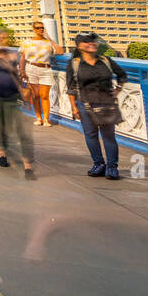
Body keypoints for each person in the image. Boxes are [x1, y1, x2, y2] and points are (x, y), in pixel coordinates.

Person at [66, 32, 127, 180]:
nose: (92, 44)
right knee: (91, 135)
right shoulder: (74, 63)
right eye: (87, 42)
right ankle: (98, 164)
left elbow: (122, 75)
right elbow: (71, 87)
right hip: (85, 103)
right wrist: (74, 107)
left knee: (109, 136)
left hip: (106, 103)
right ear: (80, 46)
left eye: (94, 41)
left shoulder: (106, 60)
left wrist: (118, 89)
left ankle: (112, 167)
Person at [0, 41, 35, 179]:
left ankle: (27, 164)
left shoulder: (13, 55)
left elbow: (19, 71)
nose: (2, 42)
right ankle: (2, 154)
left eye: (4, 39)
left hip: (12, 96)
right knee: (0, 126)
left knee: (20, 129)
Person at [19, 20, 63, 127]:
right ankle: (39, 118)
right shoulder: (27, 42)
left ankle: (46, 119)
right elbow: (22, 57)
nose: (41, 29)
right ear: (34, 29)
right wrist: (22, 70)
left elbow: (60, 52)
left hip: (46, 69)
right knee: (35, 96)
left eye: (42, 27)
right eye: (38, 28)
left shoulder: (48, 42)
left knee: (44, 96)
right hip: (31, 68)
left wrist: (50, 38)